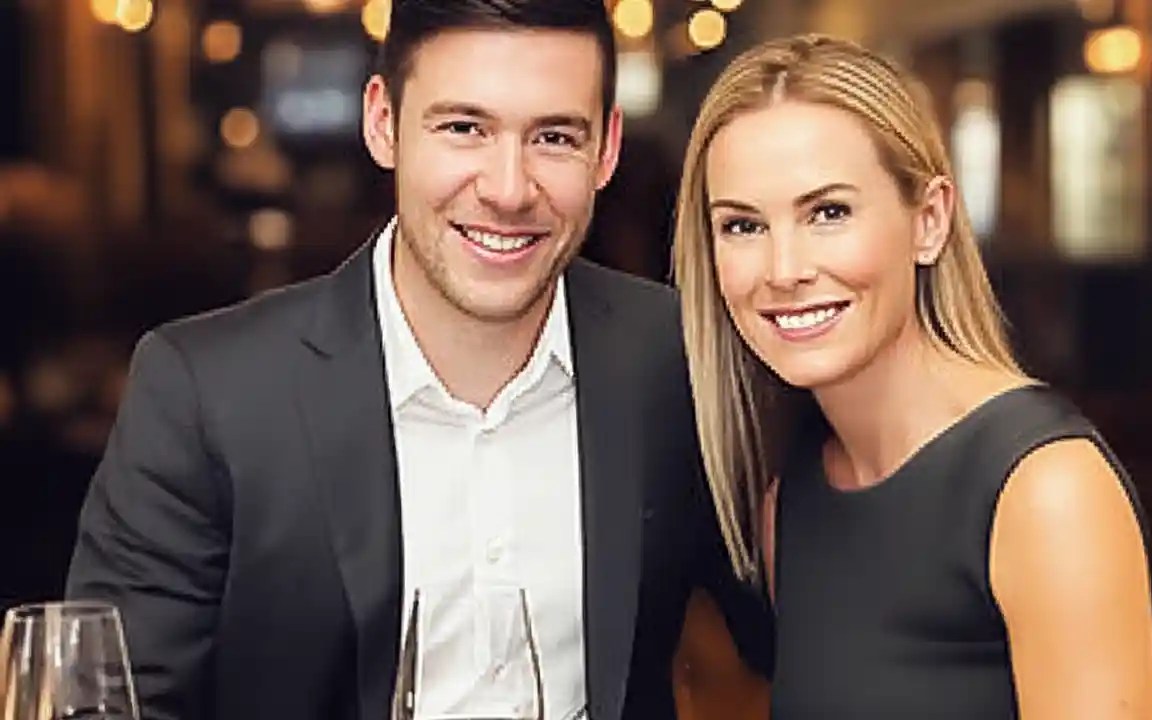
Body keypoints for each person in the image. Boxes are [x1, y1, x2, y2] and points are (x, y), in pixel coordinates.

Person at [65, 2, 768, 719]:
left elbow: (803, 629)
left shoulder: (682, 359)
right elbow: (112, 702)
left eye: (554, 137)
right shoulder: (206, 394)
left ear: (607, 150)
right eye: (464, 128)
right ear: (383, 122)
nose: (508, 189)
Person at [672, 34, 1152, 718]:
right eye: (743, 226)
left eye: (828, 213)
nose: (783, 270)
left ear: (929, 221)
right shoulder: (791, 498)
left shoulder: (1047, 491)